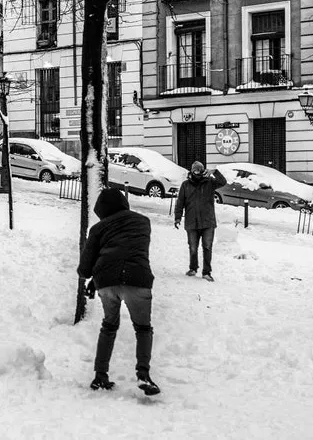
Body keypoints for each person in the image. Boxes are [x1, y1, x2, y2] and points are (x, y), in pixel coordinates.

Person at [77, 186, 158, 395]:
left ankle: (100, 375)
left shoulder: (98, 229)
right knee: (143, 328)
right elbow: (129, 249)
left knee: (109, 326)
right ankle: (143, 374)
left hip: (107, 283)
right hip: (137, 279)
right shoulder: (143, 222)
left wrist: (93, 278)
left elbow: (84, 269)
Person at [172, 160, 228, 281]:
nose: (198, 172)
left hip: (208, 222)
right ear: (191, 171)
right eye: (195, 170)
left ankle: (206, 272)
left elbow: (223, 182)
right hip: (191, 222)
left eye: (200, 170)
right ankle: (193, 268)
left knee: (207, 247)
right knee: (193, 247)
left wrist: (214, 172)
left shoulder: (209, 182)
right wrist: (177, 217)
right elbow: (180, 202)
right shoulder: (185, 185)